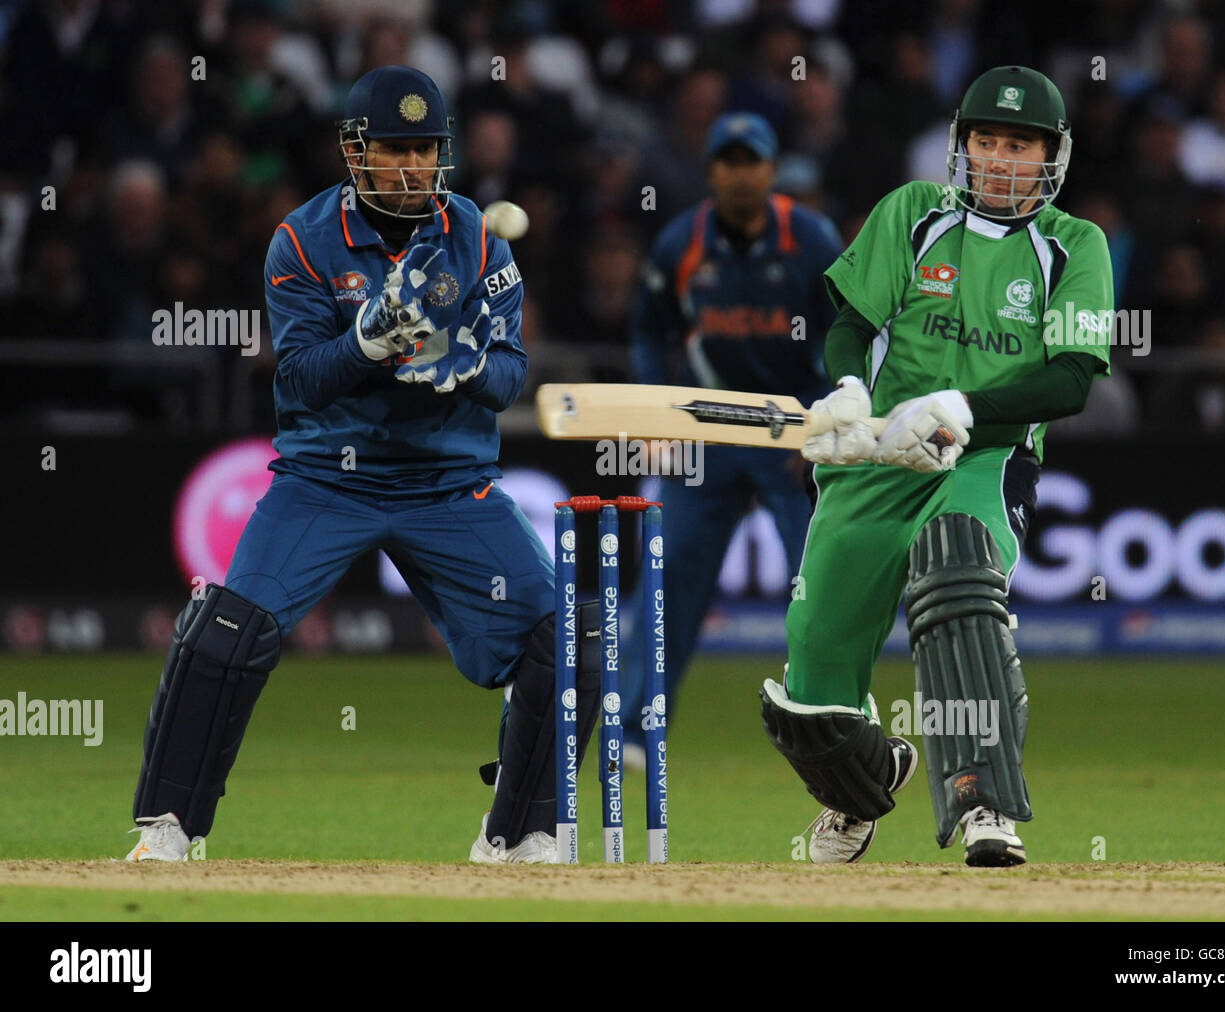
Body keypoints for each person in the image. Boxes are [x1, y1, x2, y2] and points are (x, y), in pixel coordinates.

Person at [124, 66, 602, 865]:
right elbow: (300, 378)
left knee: (572, 639)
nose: (414, 167)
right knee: (226, 633)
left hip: (448, 483)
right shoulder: (303, 239)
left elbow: (513, 375)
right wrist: (365, 345)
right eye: (396, 149)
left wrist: (463, 368)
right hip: (327, 480)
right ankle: (170, 829)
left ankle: (520, 833)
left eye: (426, 149)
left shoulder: (476, 235)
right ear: (356, 151)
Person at [761, 66, 1112, 866]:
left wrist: (960, 407)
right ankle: (859, 792)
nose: (999, 157)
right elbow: (851, 321)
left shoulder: (1073, 245)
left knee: (957, 574)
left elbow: (1071, 382)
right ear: (961, 144)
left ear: (1051, 155)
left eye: (1019, 144)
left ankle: (984, 802)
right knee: (807, 691)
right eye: (986, 139)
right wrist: (849, 388)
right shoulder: (913, 213)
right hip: (877, 462)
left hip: (985, 457)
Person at [620, 112, 844, 756]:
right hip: (706, 436)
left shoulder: (812, 238)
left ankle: (832, 723)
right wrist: (654, 409)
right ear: (712, 170)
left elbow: (850, 334)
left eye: (753, 162)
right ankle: (636, 729)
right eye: (728, 162)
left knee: (821, 583)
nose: (741, 175)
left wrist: (826, 418)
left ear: (771, 171)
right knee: (668, 585)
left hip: (794, 439)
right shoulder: (680, 243)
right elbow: (648, 331)